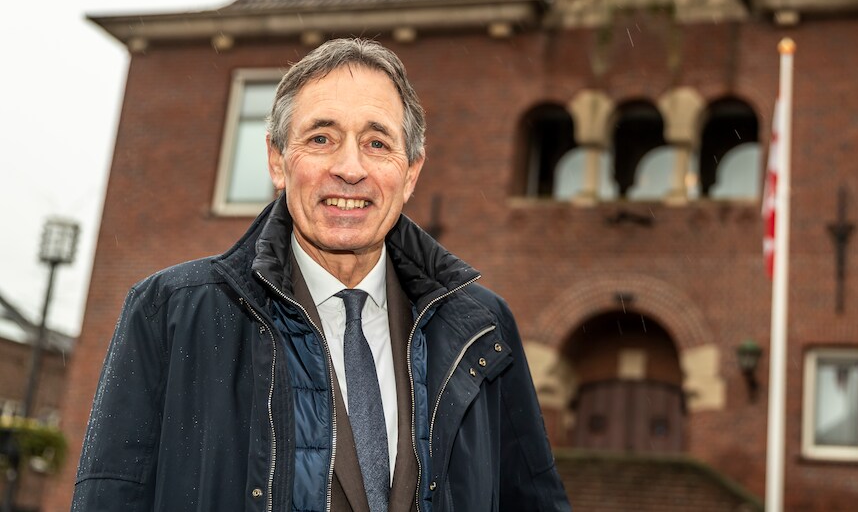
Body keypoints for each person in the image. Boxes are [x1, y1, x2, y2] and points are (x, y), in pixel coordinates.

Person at [72, 38, 571, 512]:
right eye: (321, 138)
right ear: (277, 160)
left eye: (377, 143)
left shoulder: (481, 329)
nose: (350, 168)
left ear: (411, 173)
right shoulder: (171, 312)